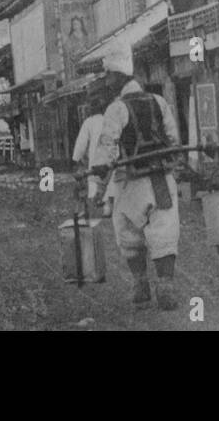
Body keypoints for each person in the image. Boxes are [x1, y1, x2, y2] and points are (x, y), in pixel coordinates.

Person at [101, 71, 183, 310]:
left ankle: (140, 285)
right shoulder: (159, 101)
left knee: (128, 233)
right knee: (164, 229)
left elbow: (108, 147)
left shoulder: (115, 109)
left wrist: (102, 173)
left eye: (110, 79)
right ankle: (165, 287)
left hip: (129, 182)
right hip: (160, 178)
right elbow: (173, 138)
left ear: (119, 81)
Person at [71, 95, 121, 215]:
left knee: (98, 180)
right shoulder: (110, 120)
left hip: (96, 156)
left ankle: (102, 205)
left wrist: (75, 158)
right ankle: (109, 205)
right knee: (112, 180)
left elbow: (81, 143)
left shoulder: (89, 122)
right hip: (112, 154)